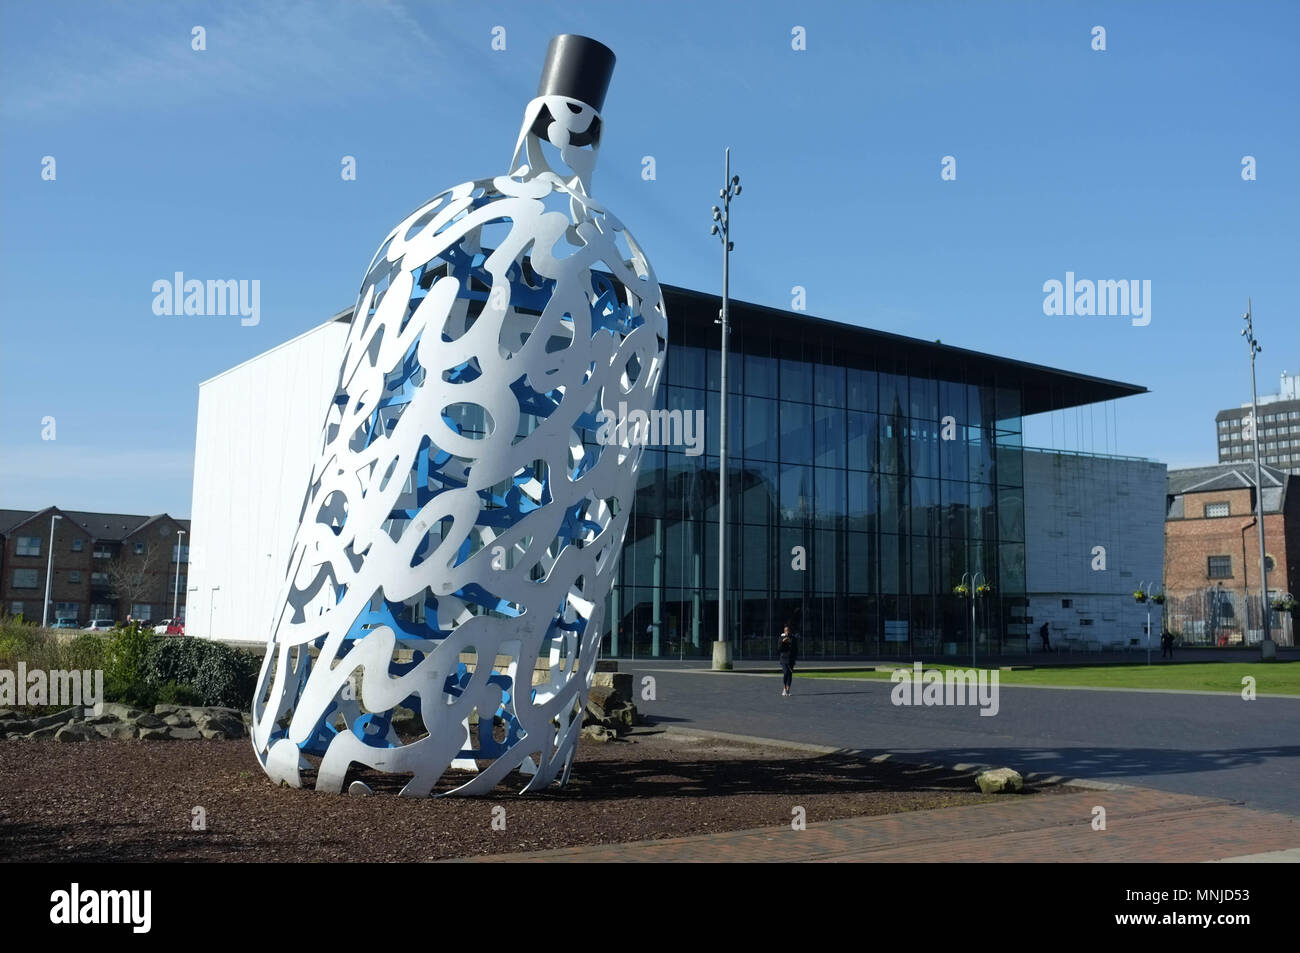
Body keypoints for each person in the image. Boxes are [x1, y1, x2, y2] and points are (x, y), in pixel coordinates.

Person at [778, 624, 798, 696]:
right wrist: (783, 642)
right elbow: (779, 649)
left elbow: (796, 649)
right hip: (783, 659)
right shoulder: (781, 637)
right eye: (786, 630)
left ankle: (788, 690)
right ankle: (784, 688)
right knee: (785, 672)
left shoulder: (793, 638)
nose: (787, 632)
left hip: (791, 659)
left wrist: (795, 659)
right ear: (784, 631)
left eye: (788, 630)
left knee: (790, 674)